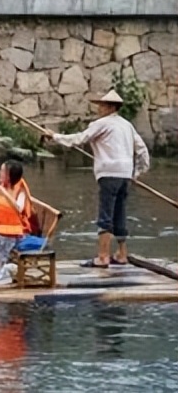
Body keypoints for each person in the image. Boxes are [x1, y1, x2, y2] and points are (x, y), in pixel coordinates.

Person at [51, 89, 151, 268]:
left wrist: (54, 137)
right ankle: (122, 254)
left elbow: (79, 139)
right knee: (119, 212)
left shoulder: (101, 124)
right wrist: (136, 173)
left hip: (109, 173)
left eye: (102, 105)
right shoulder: (127, 125)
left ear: (111, 107)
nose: (99, 109)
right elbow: (142, 150)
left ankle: (103, 256)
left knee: (105, 214)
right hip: (124, 174)